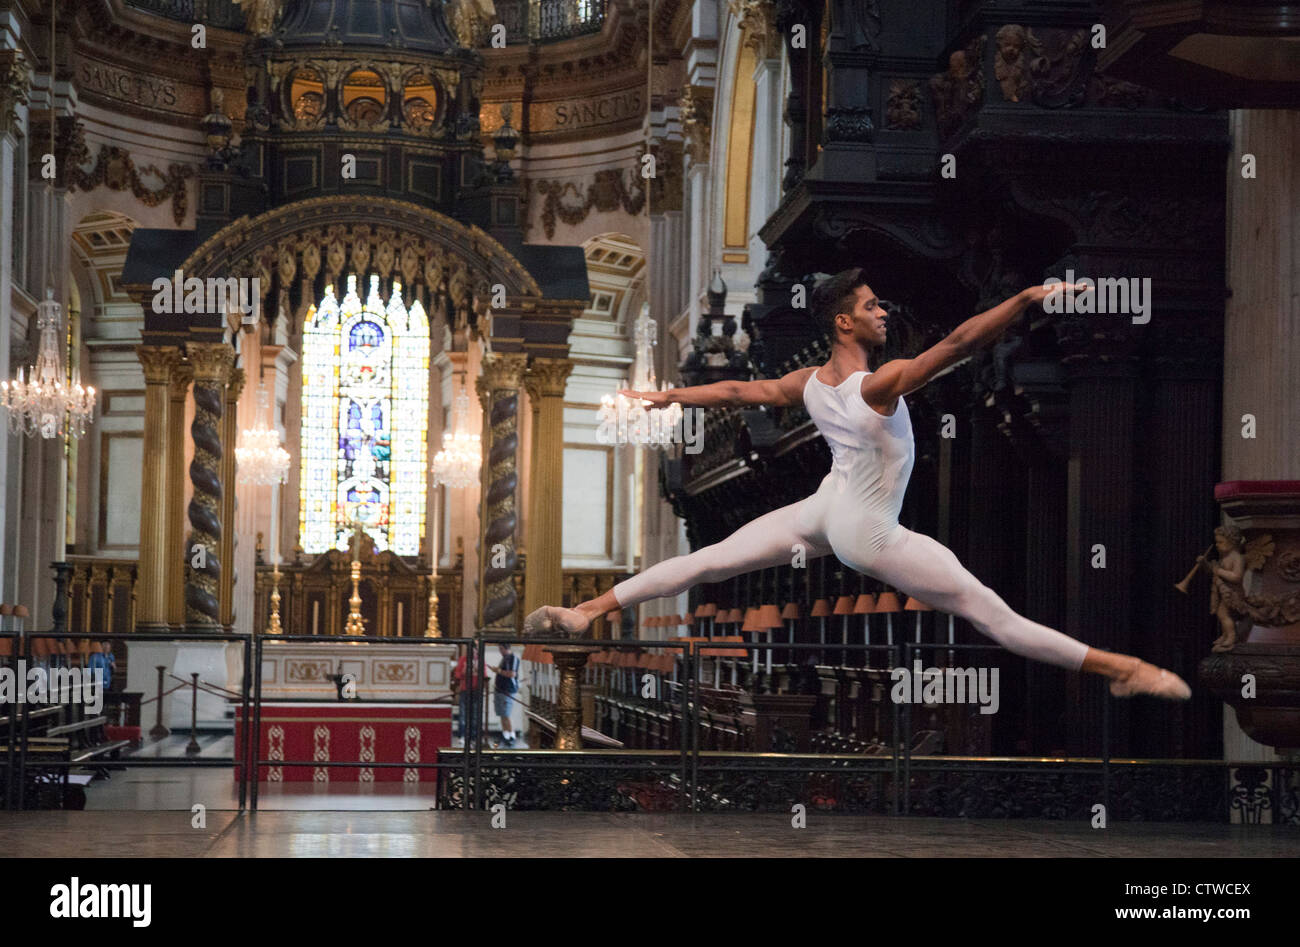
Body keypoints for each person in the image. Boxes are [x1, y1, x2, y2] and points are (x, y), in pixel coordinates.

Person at [525, 269, 1190, 700]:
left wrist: (662, 394)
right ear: (844, 321)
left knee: (707, 559)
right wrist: (1023, 299)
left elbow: (734, 388)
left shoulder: (808, 383)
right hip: (865, 530)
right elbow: (959, 343)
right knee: (992, 612)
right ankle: (1121, 669)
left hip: (826, 508)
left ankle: (586, 610)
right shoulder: (878, 384)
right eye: (872, 305)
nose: (882, 311)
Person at [451, 641, 485, 745]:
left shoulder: (480, 661)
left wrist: (477, 670)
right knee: (463, 715)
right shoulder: (463, 660)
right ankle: (462, 735)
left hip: (476, 690)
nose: (473, 652)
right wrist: (464, 671)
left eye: (475, 650)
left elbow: (484, 675)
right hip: (465, 690)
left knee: (475, 715)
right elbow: (457, 675)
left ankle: (474, 737)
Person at [487, 643, 521, 746]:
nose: (500, 651)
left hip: (507, 690)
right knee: (502, 713)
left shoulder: (513, 658)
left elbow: (511, 674)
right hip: (500, 689)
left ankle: (511, 736)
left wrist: (498, 670)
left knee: (506, 714)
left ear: (507, 648)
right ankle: (505, 735)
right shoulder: (504, 658)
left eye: (501, 649)